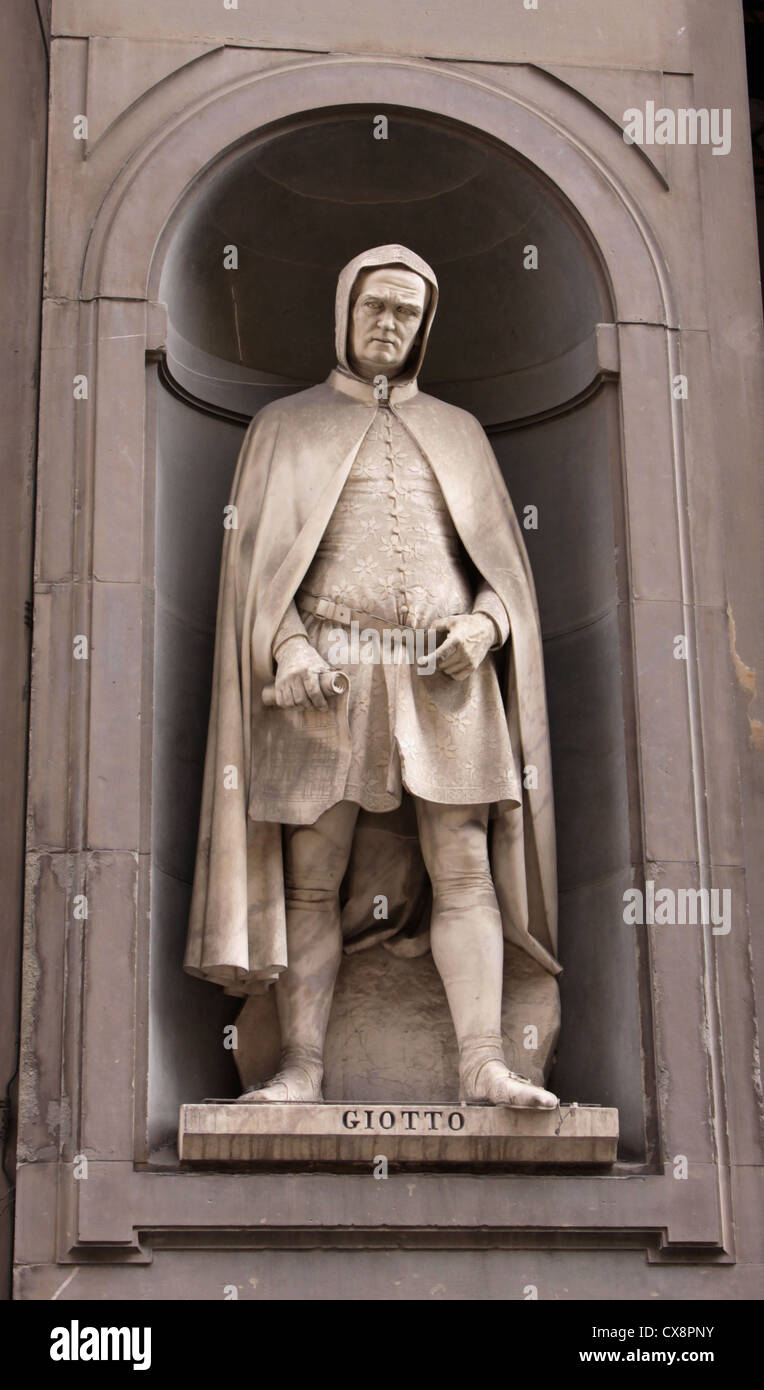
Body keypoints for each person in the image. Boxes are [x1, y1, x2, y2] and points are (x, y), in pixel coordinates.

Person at [185, 245, 560, 1109]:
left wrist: (485, 623)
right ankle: (303, 1070)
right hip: (330, 668)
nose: (389, 324)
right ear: (345, 312)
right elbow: (256, 574)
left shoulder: (461, 431)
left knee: (464, 861)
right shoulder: (283, 425)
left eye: (406, 312)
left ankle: (482, 1065)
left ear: (425, 327)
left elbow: (506, 574)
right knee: (312, 869)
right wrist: (288, 649)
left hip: (445, 670)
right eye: (375, 308)